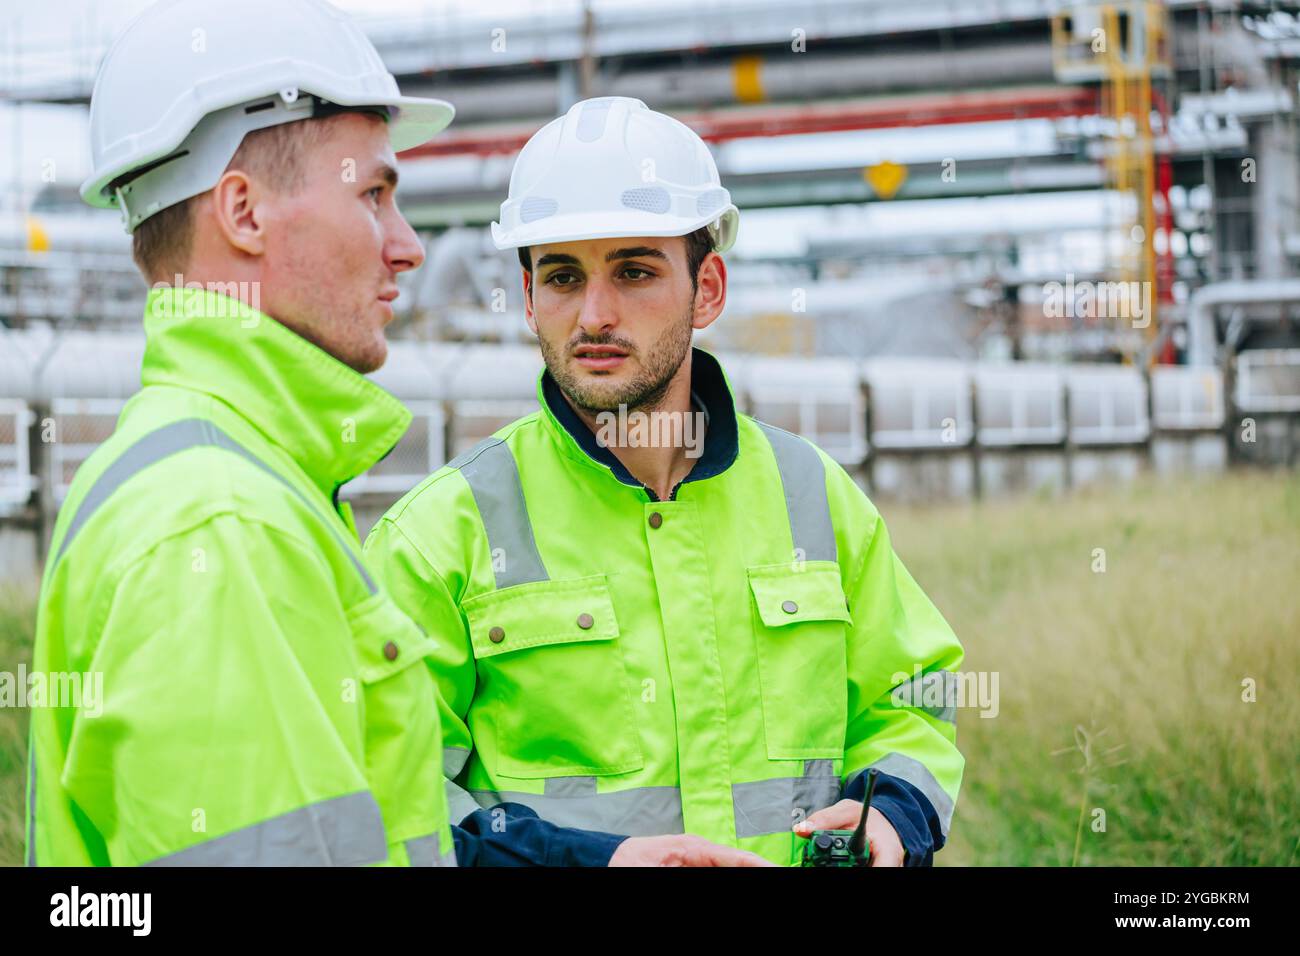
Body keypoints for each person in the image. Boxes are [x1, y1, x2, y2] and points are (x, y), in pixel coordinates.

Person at [26, 2, 761, 869]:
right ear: (244, 213)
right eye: (374, 193)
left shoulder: (223, 482)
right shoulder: (223, 529)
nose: (408, 247)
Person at [364, 96, 966, 866]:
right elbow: (390, 799)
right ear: (527, 299)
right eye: (562, 277)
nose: (594, 314)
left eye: (635, 271)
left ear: (706, 289)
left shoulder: (812, 494)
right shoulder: (439, 534)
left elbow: (914, 694)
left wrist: (896, 812)